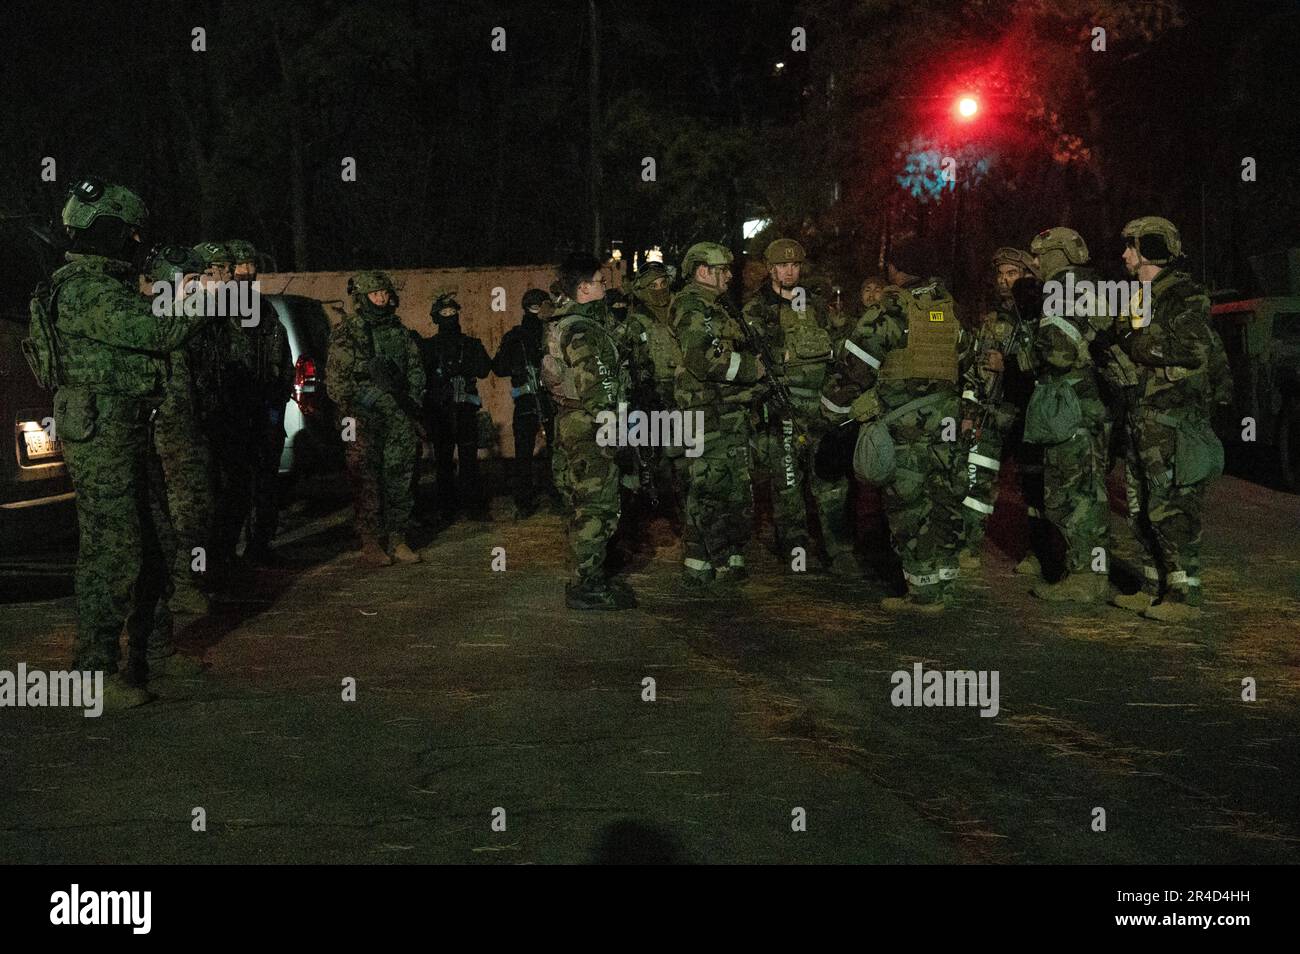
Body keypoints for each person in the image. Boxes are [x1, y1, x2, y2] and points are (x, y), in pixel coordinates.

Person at [30, 178, 215, 707]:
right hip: (101, 432)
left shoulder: (107, 283)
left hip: (128, 425)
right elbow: (158, 332)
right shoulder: (84, 288)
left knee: (153, 540)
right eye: (129, 234)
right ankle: (94, 671)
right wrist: (200, 298)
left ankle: (151, 654)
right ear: (106, 233)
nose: (137, 244)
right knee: (113, 552)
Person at [821, 246, 968, 612]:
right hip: (947, 420)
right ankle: (946, 577)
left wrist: (830, 411)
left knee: (910, 503)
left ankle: (923, 592)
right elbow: (967, 357)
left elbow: (854, 369)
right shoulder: (947, 309)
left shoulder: (888, 312)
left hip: (906, 424)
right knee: (944, 495)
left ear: (892, 269)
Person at [1111, 217, 1231, 622]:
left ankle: (1184, 594)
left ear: (1151, 249)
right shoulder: (1140, 296)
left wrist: (1135, 344)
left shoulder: (1183, 294)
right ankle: (1152, 585)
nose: (1125, 254)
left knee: (1172, 506)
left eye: (1132, 246)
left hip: (1171, 420)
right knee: (1140, 506)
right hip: (1142, 418)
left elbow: (1192, 347)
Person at [743, 238, 856, 575]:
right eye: (781, 265)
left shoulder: (818, 305)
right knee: (788, 483)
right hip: (784, 407)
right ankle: (796, 550)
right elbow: (751, 359)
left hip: (821, 407)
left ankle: (839, 549)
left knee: (830, 481)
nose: (789, 271)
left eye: (794, 265)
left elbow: (842, 346)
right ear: (770, 268)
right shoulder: (757, 309)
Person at [541, 252, 635, 610]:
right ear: (583, 289)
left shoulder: (565, 323)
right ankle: (589, 586)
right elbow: (596, 386)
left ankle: (588, 576)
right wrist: (613, 429)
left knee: (582, 501)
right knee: (597, 505)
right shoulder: (581, 330)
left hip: (573, 420)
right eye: (600, 281)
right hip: (591, 423)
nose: (604, 286)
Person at [1023, 227, 1111, 604]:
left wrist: (1031, 354)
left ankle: (1087, 578)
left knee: (1078, 497)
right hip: (1091, 405)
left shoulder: (1061, 290)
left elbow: (1058, 354)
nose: (1036, 264)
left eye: (1041, 256)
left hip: (1072, 406)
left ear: (1058, 255)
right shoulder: (1091, 287)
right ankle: (1087, 571)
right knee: (1087, 492)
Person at [671, 242, 766, 587]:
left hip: (726, 408)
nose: (728, 275)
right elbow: (702, 358)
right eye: (721, 269)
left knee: (726, 484)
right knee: (711, 484)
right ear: (701, 272)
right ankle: (708, 561)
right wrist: (751, 371)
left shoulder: (717, 307)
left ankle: (717, 558)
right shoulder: (691, 306)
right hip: (706, 410)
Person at [326, 270, 426, 566]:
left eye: (384, 293)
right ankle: (371, 541)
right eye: (374, 294)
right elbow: (336, 383)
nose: (381, 299)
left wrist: (412, 397)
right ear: (362, 298)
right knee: (366, 478)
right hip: (363, 417)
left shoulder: (399, 331)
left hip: (398, 414)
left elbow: (414, 368)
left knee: (400, 475)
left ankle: (398, 537)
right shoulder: (348, 333)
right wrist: (365, 398)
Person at [958, 247, 1043, 570]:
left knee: (1035, 488)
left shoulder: (1039, 315)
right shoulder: (992, 320)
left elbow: (1047, 362)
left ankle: (1038, 553)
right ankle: (969, 545)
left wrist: (1008, 365)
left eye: (1012, 273)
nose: (1004, 280)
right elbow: (976, 367)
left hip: (1028, 412)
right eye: (1001, 274)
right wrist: (969, 410)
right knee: (976, 479)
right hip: (992, 411)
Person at [225, 239, 294, 564]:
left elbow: (282, 356)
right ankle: (224, 555)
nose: (248, 274)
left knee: (265, 481)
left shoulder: (263, 309)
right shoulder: (216, 309)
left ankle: (260, 546)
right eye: (242, 269)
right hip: (233, 412)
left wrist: (278, 395)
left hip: (264, 409)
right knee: (233, 485)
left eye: (252, 269)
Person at [421, 289, 492, 522]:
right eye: (445, 312)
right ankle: (447, 506)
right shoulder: (429, 347)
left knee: (469, 460)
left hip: (465, 410)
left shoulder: (470, 344)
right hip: (440, 411)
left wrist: (464, 367)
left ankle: (472, 505)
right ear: (437, 316)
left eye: (453, 312)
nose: (450, 316)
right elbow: (420, 375)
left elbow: (483, 369)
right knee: (443, 461)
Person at [492, 288, 556, 517]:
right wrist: (517, 366)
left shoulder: (551, 333)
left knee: (545, 452)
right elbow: (498, 367)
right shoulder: (519, 337)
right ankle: (529, 500)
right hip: (533, 401)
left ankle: (543, 497)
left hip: (544, 401)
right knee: (530, 454)